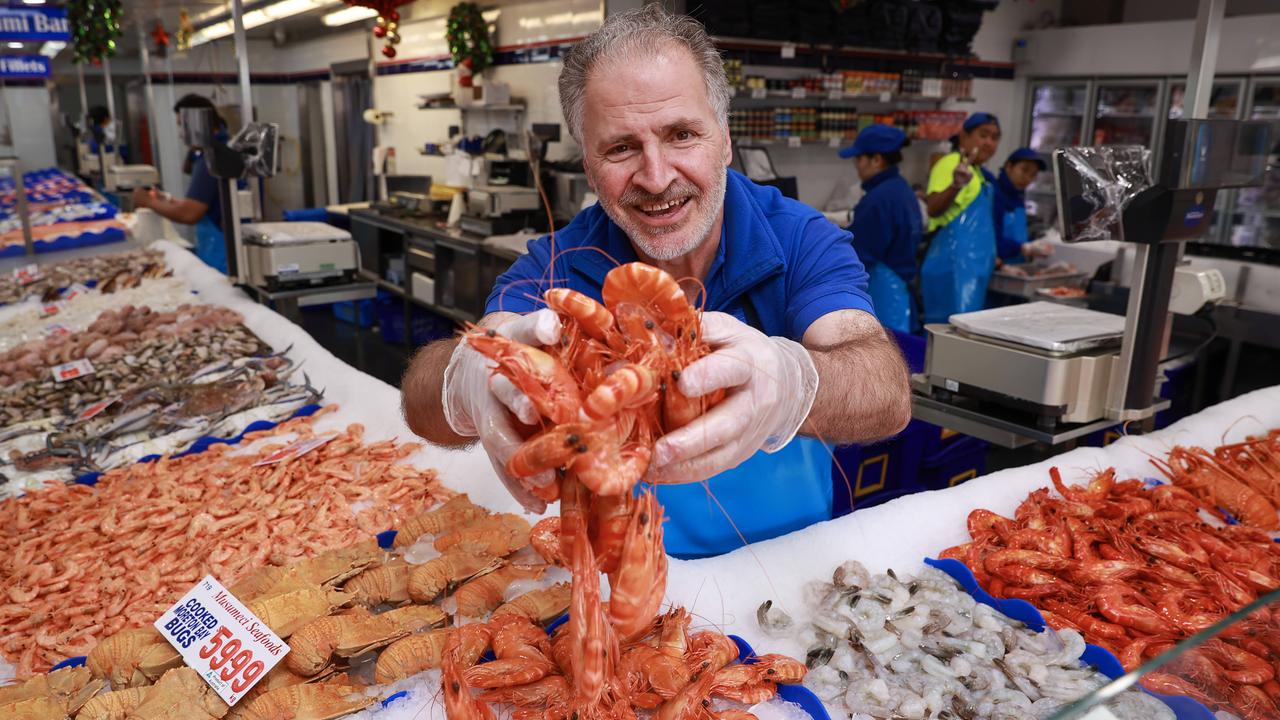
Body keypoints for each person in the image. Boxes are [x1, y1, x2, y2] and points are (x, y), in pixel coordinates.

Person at [401, 5, 911, 557]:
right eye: (621, 147)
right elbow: (423, 400)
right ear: (589, 167)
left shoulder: (799, 237)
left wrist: (794, 381)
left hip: (786, 566)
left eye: (682, 134)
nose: (657, 176)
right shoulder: (557, 264)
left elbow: (886, 391)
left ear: (724, 138)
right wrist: (464, 378)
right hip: (613, 575)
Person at [130, 94, 230, 273]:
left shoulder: (212, 157)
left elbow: (190, 214)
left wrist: (148, 202)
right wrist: (166, 200)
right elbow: (205, 203)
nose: (181, 134)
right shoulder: (217, 149)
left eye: (182, 126)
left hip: (222, 254)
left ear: (197, 124)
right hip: (218, 248)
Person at [919, 112, 1002, 323]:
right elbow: (934, 208)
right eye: (983, 135)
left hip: (974, 269)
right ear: (964, 136)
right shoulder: (951, 163)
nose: (989, 143)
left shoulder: (979, 172)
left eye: (995, 137)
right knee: (951, 336)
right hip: (953, 267)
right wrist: (955, 185)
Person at [839, 124, 922, 333]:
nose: (856, 165)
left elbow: (858, 256)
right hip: (899, 293)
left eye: (859, 159)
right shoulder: (900, 188)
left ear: (876, 160)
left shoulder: (879, 199)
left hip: (884, 296)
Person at [993, 147, 1053, 265]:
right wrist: (1023, 248)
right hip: (997, 268)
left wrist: (1034, 246)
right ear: (1009, 166)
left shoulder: (1019, 197)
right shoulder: (994, 194)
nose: (1028, 178)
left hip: (1016, 266)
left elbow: (1018, 236)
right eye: (1024, 170)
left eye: (1033, 175)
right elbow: (992, 241)